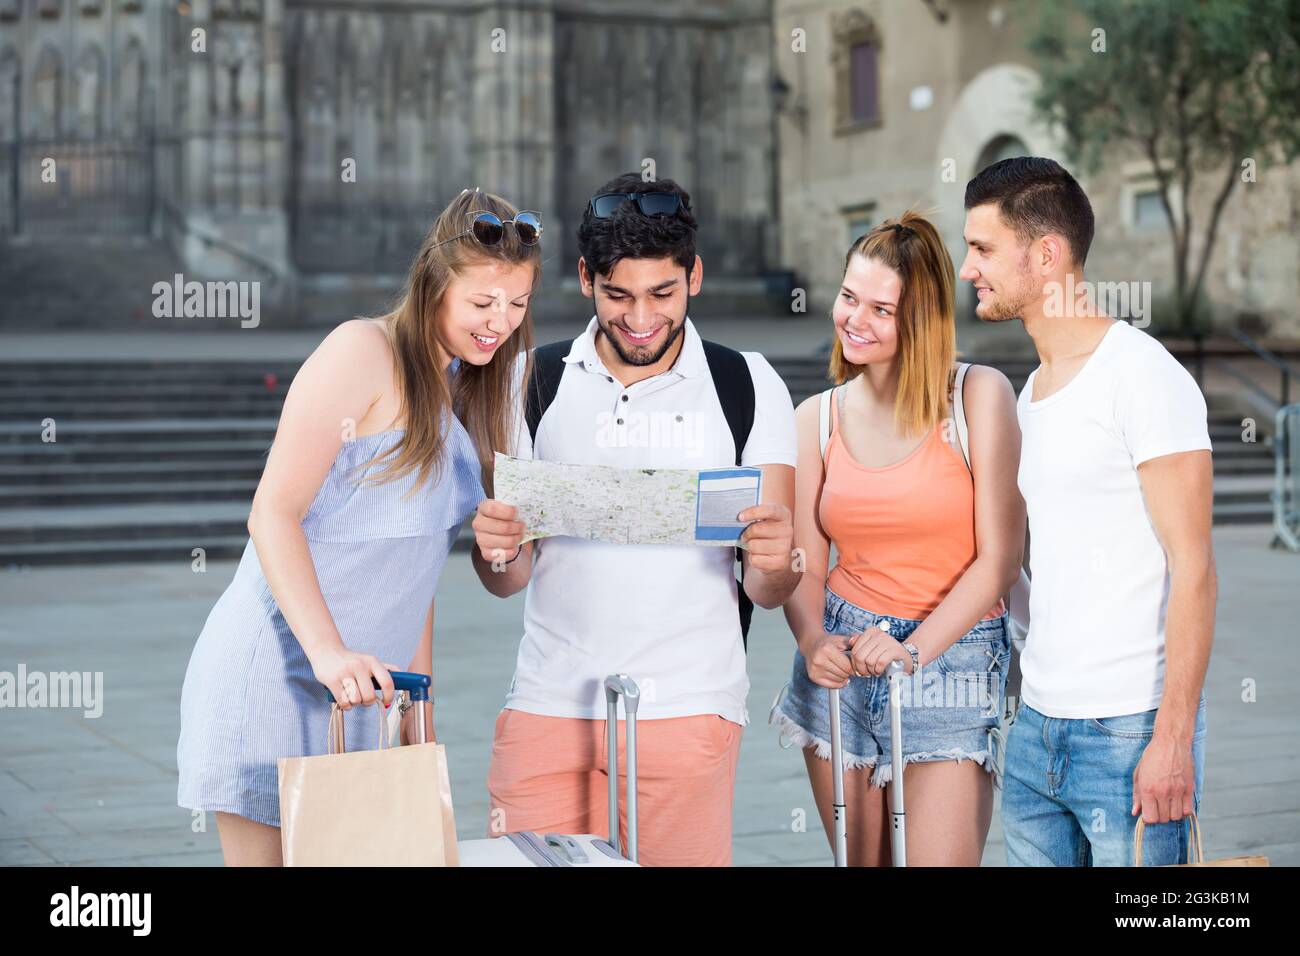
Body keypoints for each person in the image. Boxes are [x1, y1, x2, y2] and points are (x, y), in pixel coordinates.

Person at [177, 188, 542, 865]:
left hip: (368, 697)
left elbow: (417, 566)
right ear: (434, 285)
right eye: (482, 303)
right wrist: (327, 654)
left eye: (517, 305)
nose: (500, 323)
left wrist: (418, 715)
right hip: (280, 671)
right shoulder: (360, 351)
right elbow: (272, 513)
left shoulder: (477, 388)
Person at [469, 172, 800, 866]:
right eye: (618, 296)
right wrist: (495, 549)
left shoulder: (746, 383)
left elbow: (766, 590)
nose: (641, 318)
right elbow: (510, 577)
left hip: (687, 707)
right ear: (586, 278)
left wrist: (776, 558)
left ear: (695, 276)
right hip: (547, 705)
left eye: (662, 294)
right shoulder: (530, 379)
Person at [960, 156, 1215, 866]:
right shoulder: (1031, 392)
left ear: (1046, 255)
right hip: (1038, 729)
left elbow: (1193, 567)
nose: (966, 267)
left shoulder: (1144, 377)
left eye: (982, 248)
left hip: (1130, 733)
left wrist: (1171, 740)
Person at [769, 211, 1024, 866]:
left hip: (951, 660)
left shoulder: (979, 397)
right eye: (850, 297)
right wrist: (813, 640)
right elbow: (804, 559)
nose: (856, 318)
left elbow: (999, 559)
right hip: (845, 657)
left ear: (921, 320)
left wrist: (912, 650)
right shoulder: (817, 417)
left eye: (882, 308)